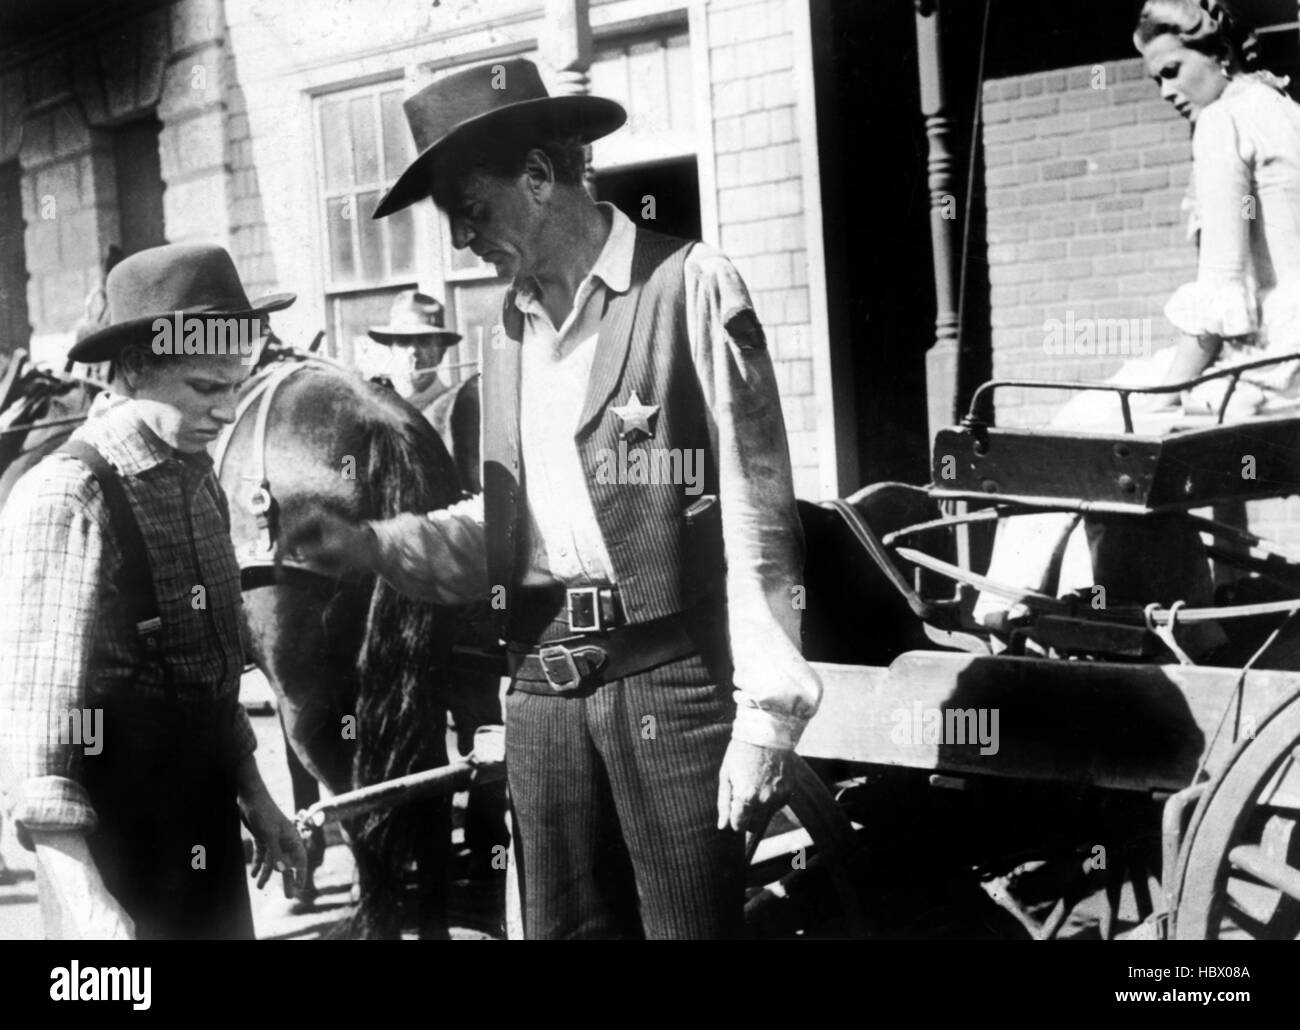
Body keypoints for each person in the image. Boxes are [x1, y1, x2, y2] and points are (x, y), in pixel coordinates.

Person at [285, 57, 823, 938]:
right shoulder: (505, 339)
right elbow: (505, 533)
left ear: (539, 176)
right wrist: (377, 546)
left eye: (473, 209)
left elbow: (758, 516)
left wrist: (768, 715)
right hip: (539, 698)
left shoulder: (689, 286)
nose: (462, 241)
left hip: (670, 686)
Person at [0, 242, 308, 939]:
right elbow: (37, 741)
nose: (229, 412)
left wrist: (256, 799)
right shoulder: (68, 498)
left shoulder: (198, 481)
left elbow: (210, 679)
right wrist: (87, 904)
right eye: (206, 389)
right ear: (135, 369)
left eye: (237, 385)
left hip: (202, 834)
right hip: (110, 849)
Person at [975, 0, 1300, 629]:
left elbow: (1222, 296)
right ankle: (1174, 617)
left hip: (1264, 375)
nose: (1166, 90)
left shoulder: (1223, 122)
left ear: (1220, 54)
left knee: (1082, 435)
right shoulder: (1287, 113)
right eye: (1155, 78)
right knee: (1119, 430)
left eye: (1174, 69)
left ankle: (1007, 601)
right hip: (1292, 369)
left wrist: (1173, 386)